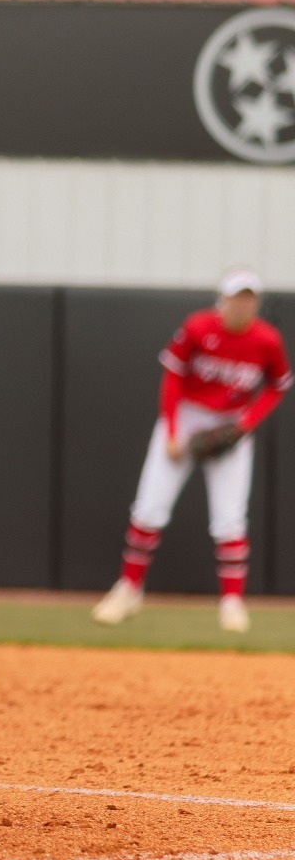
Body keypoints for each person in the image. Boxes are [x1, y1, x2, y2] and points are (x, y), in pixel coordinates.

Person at [92, 269, 289, 634]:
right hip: (186, 417)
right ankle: (128, 589)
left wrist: (245, 424)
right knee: (149, 509)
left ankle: (232, 604)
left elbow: (278, 385)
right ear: (222, 300)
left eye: (249, 298)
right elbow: (173, 376)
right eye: (236, 297)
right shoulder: (199, 327)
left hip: (230, 425)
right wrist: (171, 430)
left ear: (256, 304)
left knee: (230, 519)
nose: (242, 304)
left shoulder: (266, 340)